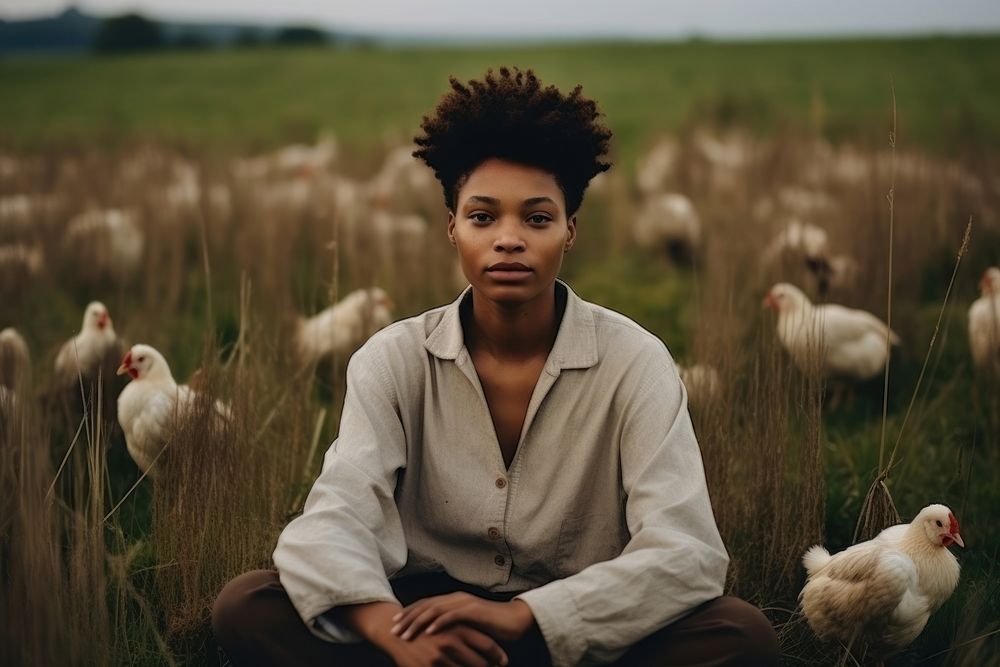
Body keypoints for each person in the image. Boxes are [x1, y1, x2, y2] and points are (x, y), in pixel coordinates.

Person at [213, 67, 779, 667]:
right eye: (483, 217)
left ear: (570, 231)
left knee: (741, 636)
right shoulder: (393, 359)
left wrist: (523, 617)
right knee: (248, 603)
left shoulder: (636, 362)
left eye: (537, 218)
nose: (509, 239)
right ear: (452, 226)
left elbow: (688, 552)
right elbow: (337, 517)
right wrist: (390, 631)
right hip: (423, 622)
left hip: (575, 622)